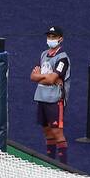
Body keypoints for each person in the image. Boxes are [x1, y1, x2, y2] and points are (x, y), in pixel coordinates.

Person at [31, 26, 71, 164]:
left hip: (55, 100)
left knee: (57, 133)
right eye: (49, 36)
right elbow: (32, 76)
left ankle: (64, 168)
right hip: (41, 97)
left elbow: (51, 79)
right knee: (47, 133)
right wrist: (43, 77)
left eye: (53, 37)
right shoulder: (43, 54)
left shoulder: (63, 58)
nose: (51, 39)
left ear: (60, 39)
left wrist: (40, 77)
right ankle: (51, 163)